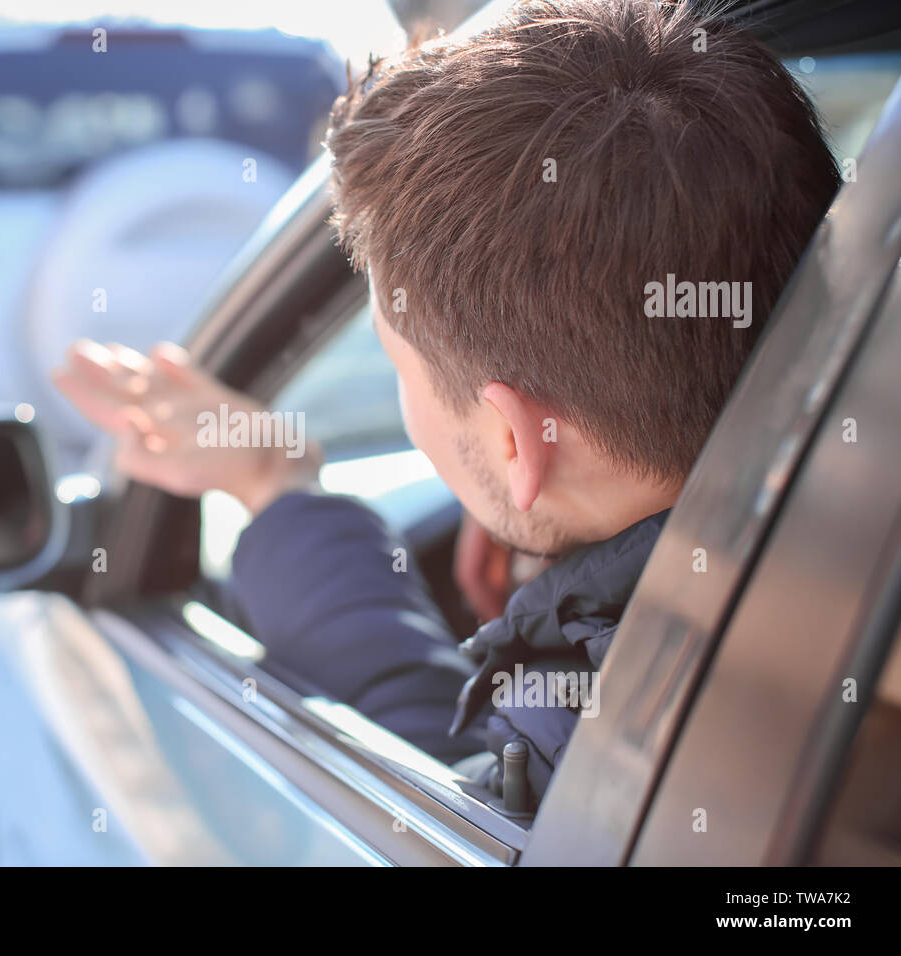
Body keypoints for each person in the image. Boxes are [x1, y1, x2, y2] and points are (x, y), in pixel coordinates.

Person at [53, 0, 842, 806]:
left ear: (516, 441)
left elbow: (434, 777)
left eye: (400, 363)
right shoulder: (846, 577)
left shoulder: (598, 751)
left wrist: (271, 485)